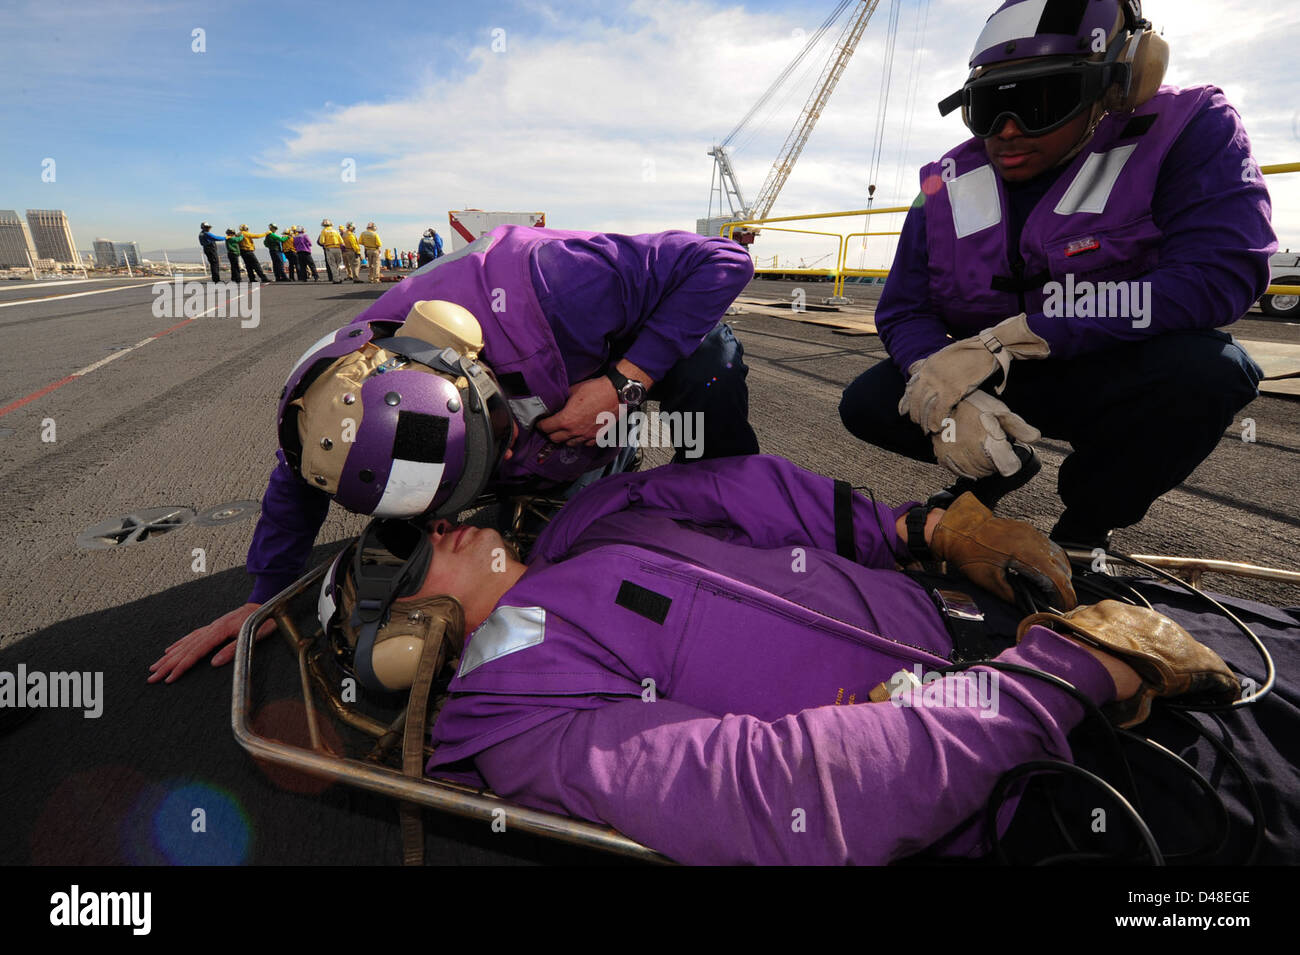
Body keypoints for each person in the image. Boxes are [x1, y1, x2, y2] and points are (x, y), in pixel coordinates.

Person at [317, 454, 1271, 865]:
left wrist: (931, 526)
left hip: (1031, 620)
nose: (438, 524)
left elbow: (764, 495)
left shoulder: (596, 517)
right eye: (402, 552)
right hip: (1055, 753)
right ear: (400, 641)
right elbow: (782, 794)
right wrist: (1058, 678)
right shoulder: (521, 709)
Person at [152, 226, 761, 681]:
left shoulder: (562, 282)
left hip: (601, 352)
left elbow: (723, 260)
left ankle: (726, 498)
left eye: (493, 442)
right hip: (528, 381)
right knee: (565, 525)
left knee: (709, 360)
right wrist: (263, 597)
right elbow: (293, 493)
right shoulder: (328, 416)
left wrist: (624, 382)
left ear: (469, 372)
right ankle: (568, 473)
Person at [837, 0, 1273, 549]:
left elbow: (1219, 273)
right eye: (989, 107)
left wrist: (1027, 335)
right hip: (992, 369)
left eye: (1043, 101)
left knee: (1210, 374)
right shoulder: (947, 181)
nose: (1009, 131)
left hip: (1119, 368)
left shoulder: (1187, 128)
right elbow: (905, 307)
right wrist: (943, 381)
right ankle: (993, 467)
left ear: (1115, 87)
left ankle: (1087, 526)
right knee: (873, 402)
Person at [319, 219, 344, 284]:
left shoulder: (324, 231)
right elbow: (341, 241)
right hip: (338, 248)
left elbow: (322, 241)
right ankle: (339, 277)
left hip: (330, 249)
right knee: (338, 264)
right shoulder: (335, 231)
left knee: (332, 264)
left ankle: (336, 279)